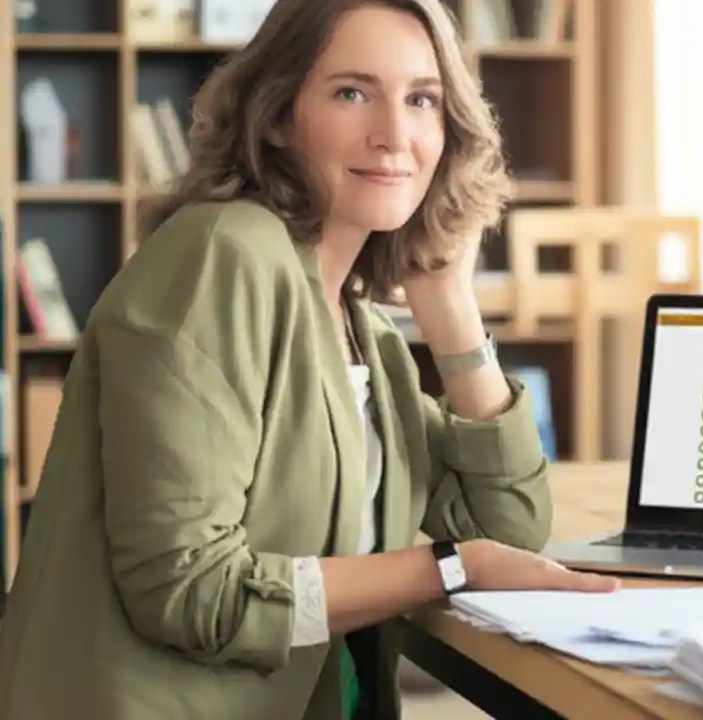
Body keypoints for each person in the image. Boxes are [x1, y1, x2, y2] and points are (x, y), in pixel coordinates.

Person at [0, 1, 619, 718]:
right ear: (276, 116)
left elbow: (510, 528)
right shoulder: (223, 256)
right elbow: (191, 593)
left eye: (422, 99)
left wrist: (450, 304)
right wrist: (447, 568)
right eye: (352, 92)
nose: (394, 135)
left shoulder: (364, 330)